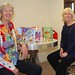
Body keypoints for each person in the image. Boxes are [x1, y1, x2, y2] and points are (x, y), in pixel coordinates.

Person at [0, 3, 42, 75]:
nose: (8, 13)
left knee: (37, 69)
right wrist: (12, 68)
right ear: (1, 13)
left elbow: (18, 36)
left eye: (10, 11)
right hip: (3, 63)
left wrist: (23, 45)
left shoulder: (11, 25)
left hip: (14, 60)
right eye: (5, 11)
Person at [47, 7, 75, 75]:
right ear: (63, 16)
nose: (67, 15)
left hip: (72, 52)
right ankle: (64, 72)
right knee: (50, 57)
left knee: (60, 69)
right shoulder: (64, 26)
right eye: (65, 14)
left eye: (69, 14)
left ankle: (61, 72)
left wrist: (67, 52)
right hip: (65, 50)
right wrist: (61, 48)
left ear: (72, 15)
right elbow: (62, 39)